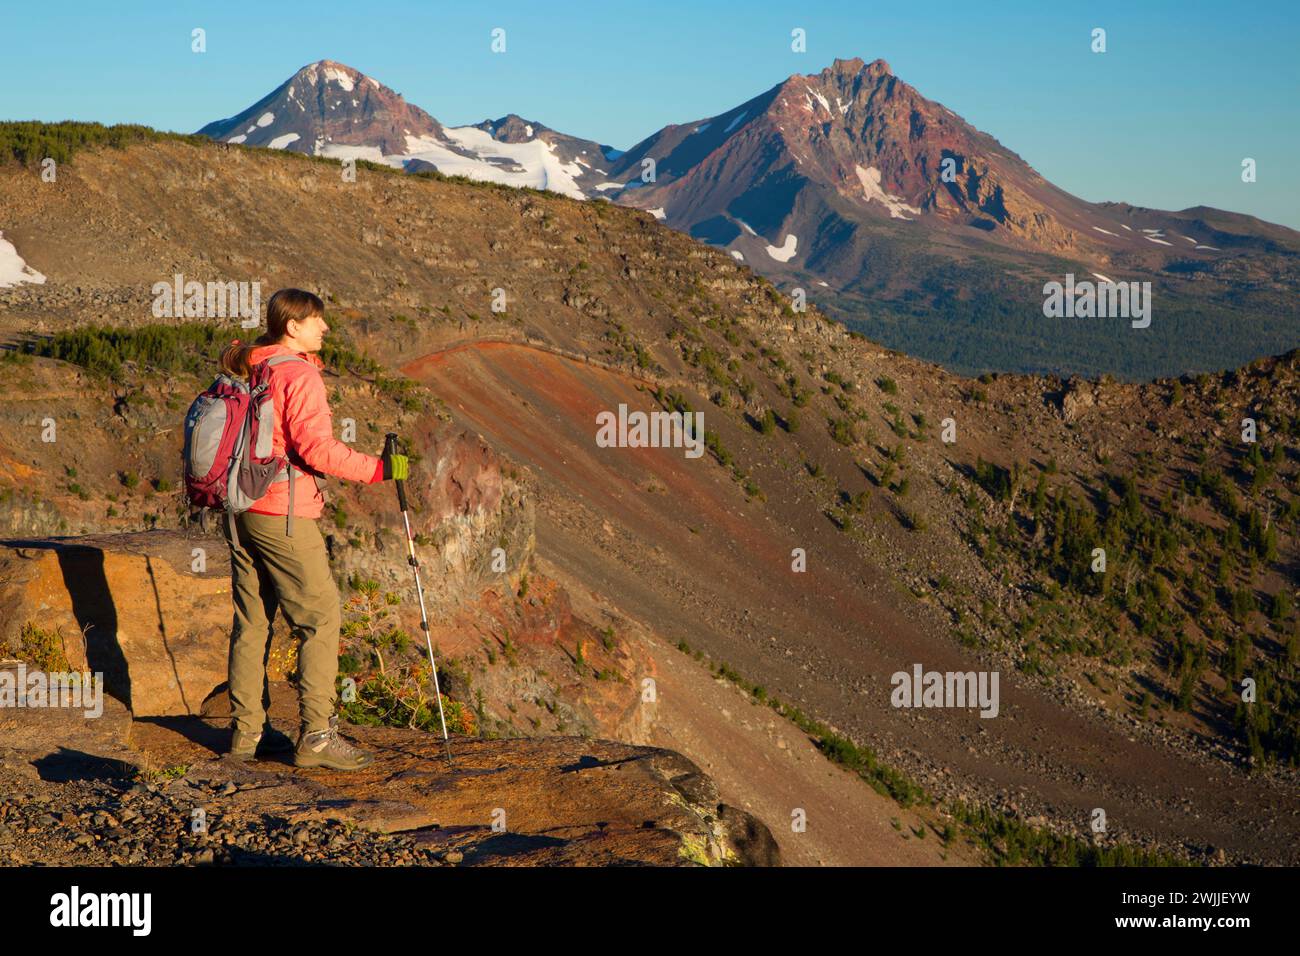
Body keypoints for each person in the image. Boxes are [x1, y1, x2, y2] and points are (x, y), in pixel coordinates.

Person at [216, 288, 408, 770]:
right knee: (319, 618)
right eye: (316, 320)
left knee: (253, 619)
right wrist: (380, 470)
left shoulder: (249, 365)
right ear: (292, 326)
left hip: (239, 505)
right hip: (282, 510)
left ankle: (246, 736)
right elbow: (317, 450)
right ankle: (317, 737)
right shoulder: (298, 374)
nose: (324, 328)